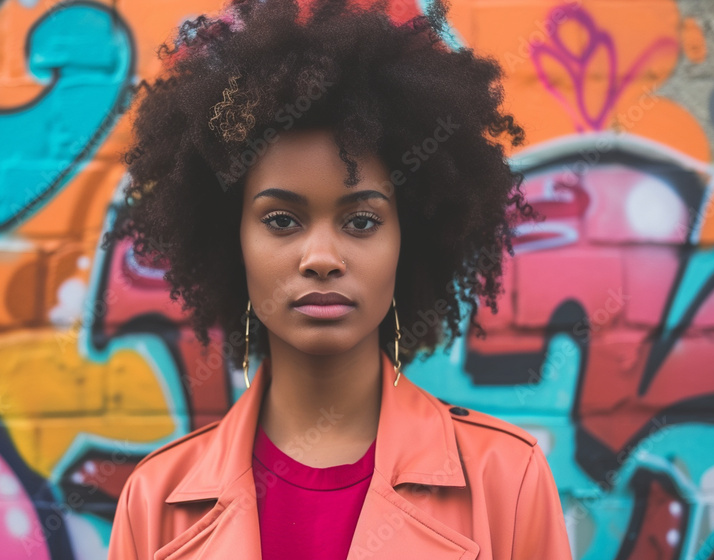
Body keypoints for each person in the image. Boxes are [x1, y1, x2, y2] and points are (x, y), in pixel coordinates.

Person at [102, 0, 573, 558]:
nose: (321, 257)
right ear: (233, 241)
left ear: (411, 239)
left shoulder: (507, 480)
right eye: (281, 220)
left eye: (361, 220)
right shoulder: (157, 502)